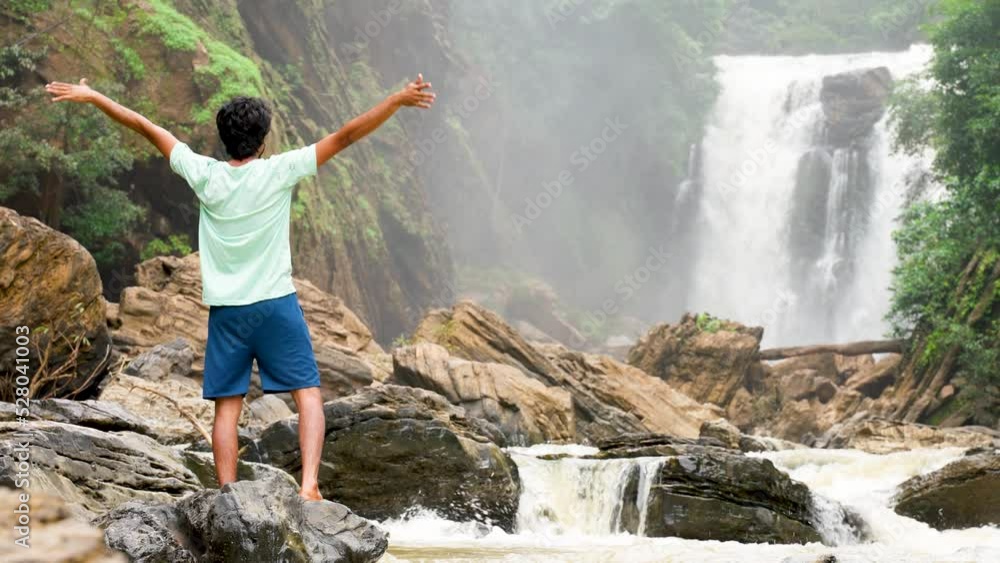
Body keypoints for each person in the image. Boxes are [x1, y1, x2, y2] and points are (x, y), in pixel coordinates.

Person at [45, 74, 436, 501]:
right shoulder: (279, 172)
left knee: (227, 406)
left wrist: (93, 94)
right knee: (307, 392)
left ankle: (228, 494)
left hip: (228, 311)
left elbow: (143, 125)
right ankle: (309, 486)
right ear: (263, 140)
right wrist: (396, 100)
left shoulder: (205, 175)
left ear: (224, 139)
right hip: (275, 304)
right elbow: (344, 136)